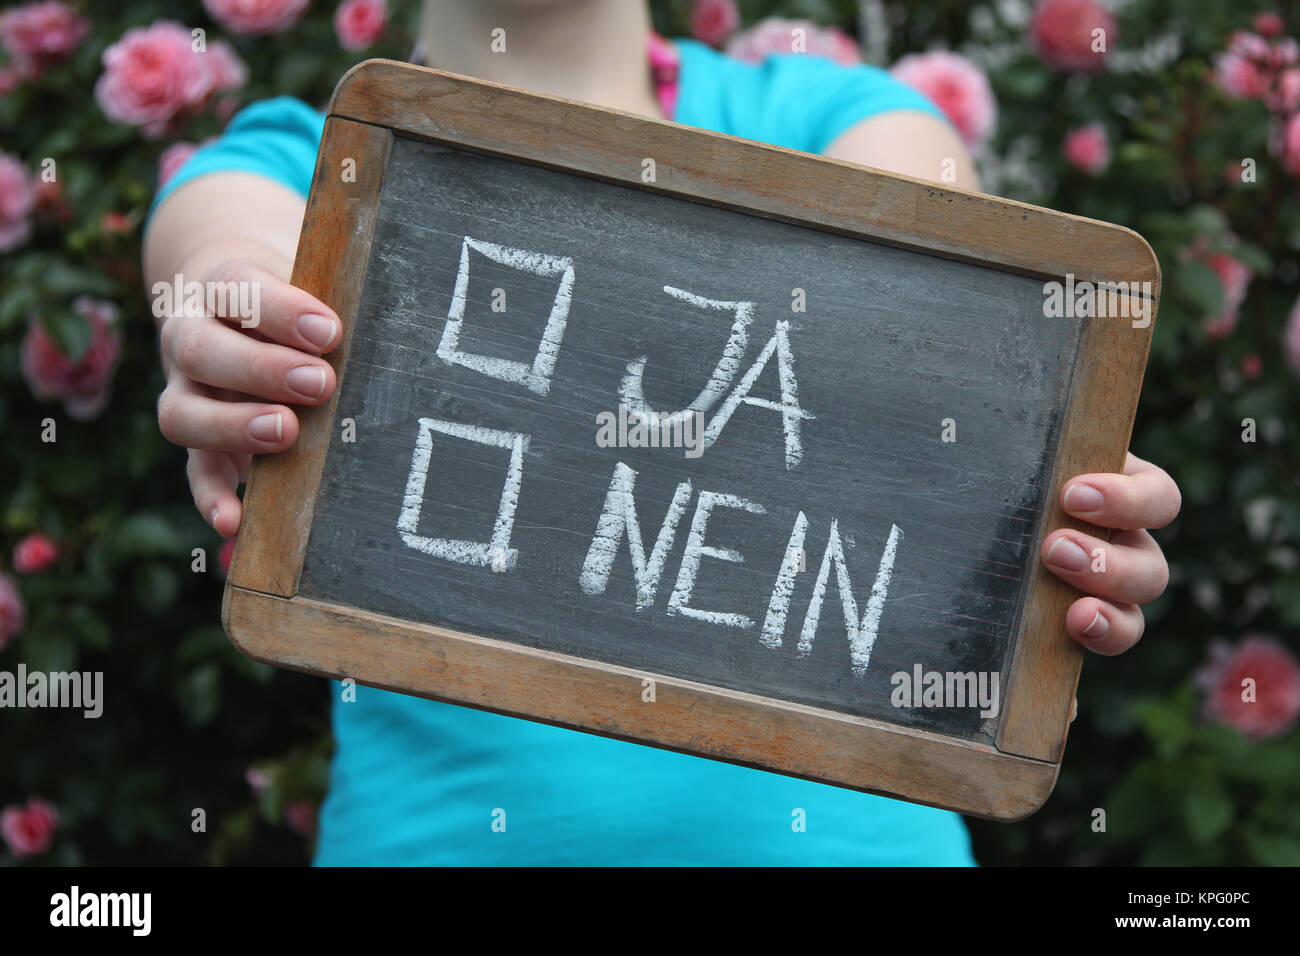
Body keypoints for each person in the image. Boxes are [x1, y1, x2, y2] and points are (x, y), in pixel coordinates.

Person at [143, 0, 1181, 865]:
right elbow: (227, 250)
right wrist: (239, 329)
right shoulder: (305, 158)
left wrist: (1041, 484)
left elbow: (946, 270)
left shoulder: (834, 115)